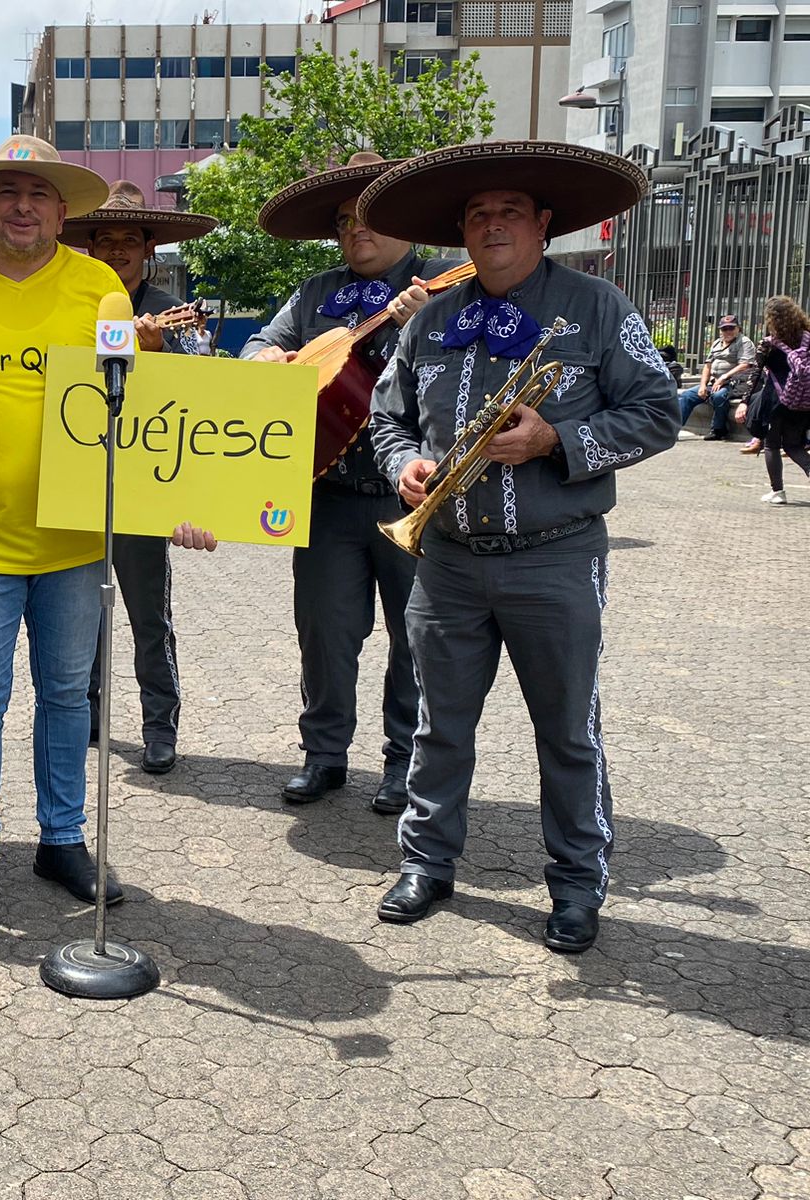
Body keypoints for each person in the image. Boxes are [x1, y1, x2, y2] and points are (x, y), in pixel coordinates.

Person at [0, 134, 216, 947]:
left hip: (75, 545)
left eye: (40, 193)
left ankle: (61, 843)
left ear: (63, 210)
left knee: (67, 700)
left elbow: (143, 409)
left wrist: (187, 500)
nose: (24, 205)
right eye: (8, 192)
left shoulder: (99, 291)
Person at [362, 141, 679, 952]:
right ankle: (428, 865)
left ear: (541, 224)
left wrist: (555, 440)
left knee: (567, 730)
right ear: (462, 233)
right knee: (439, 726)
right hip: (449, 560)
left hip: (556, 555)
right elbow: (387, 419)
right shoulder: (431, 319)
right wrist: (405, 467)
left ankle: (576, 885)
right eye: (477, 215)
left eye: (508, 211)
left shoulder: (596, 304)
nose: (492, 225)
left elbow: (658, 412)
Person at [241, 152, 457, 813]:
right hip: (326, 497)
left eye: (367, 216)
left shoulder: (447, 287)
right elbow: (254, 346)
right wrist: (268, 359)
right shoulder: (314, 293)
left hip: (412, 496)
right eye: (342, 221)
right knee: (325, 635)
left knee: (415, 639)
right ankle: (324, 754)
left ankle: (403, 763)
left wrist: (424, 323)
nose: (353, 230)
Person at [58, 179, 218, 775]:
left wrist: (157, 351)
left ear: (148, 247)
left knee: (149, 614)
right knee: (79, 611)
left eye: (129, 239)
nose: (117, 249)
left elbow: (209, 388)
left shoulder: (173, 314)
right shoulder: (71, 306)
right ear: (90, 247)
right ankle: (89, 715)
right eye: (105, 239)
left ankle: (159, 724)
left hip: (145, 489)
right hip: (79, 483)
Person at [754, 294, 810, 506]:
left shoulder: (769, 343)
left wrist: (744, 402)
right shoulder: (807, 337)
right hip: (803, 401)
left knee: (772, 444)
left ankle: (778, 492)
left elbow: (755, 374)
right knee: (794, 445)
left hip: (776, 401)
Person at [676, 315, 755, 442]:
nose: (728, 331)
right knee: (687, 396)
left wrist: (724, 377)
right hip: (714, 382)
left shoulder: (744, 342)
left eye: (731, 328)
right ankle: (673, 430)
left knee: (719, 396)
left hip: (733, 383)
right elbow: (707, 366)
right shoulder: (717, 343)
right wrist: (702, 385)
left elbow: (745, 365)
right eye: (724, 329)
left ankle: (718, 430)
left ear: (738, 329)